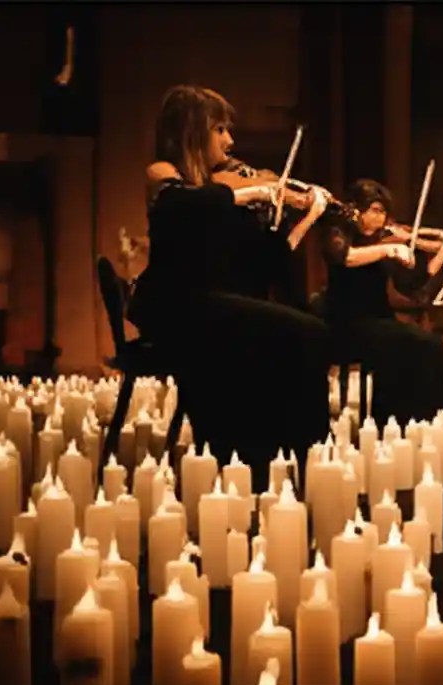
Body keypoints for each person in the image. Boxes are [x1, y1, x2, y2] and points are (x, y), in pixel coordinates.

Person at [127, 84, 332, 491]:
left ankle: (283, 453)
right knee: (306, 333)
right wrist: (256, 190)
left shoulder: (218, 186)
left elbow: (261, 258)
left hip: (214, 303)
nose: (230, 140)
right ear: (192, 130)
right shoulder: (165, 174)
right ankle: (292, 457)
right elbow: (186, 206)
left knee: (301, 327)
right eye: (219, 129)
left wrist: (299, 217)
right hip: (179, 306)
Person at [318, 178, 443, 425]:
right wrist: (387, 250)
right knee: (408, 345)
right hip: (346, 323)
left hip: (379, 320)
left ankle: (427, 421)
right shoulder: (338, 230)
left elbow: (412, 284)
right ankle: (394, 420)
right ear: (356, 209)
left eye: (384, 212)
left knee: (431, 346)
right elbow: (345, 258)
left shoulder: (385, 240)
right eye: (374, 210)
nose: (381, 219)